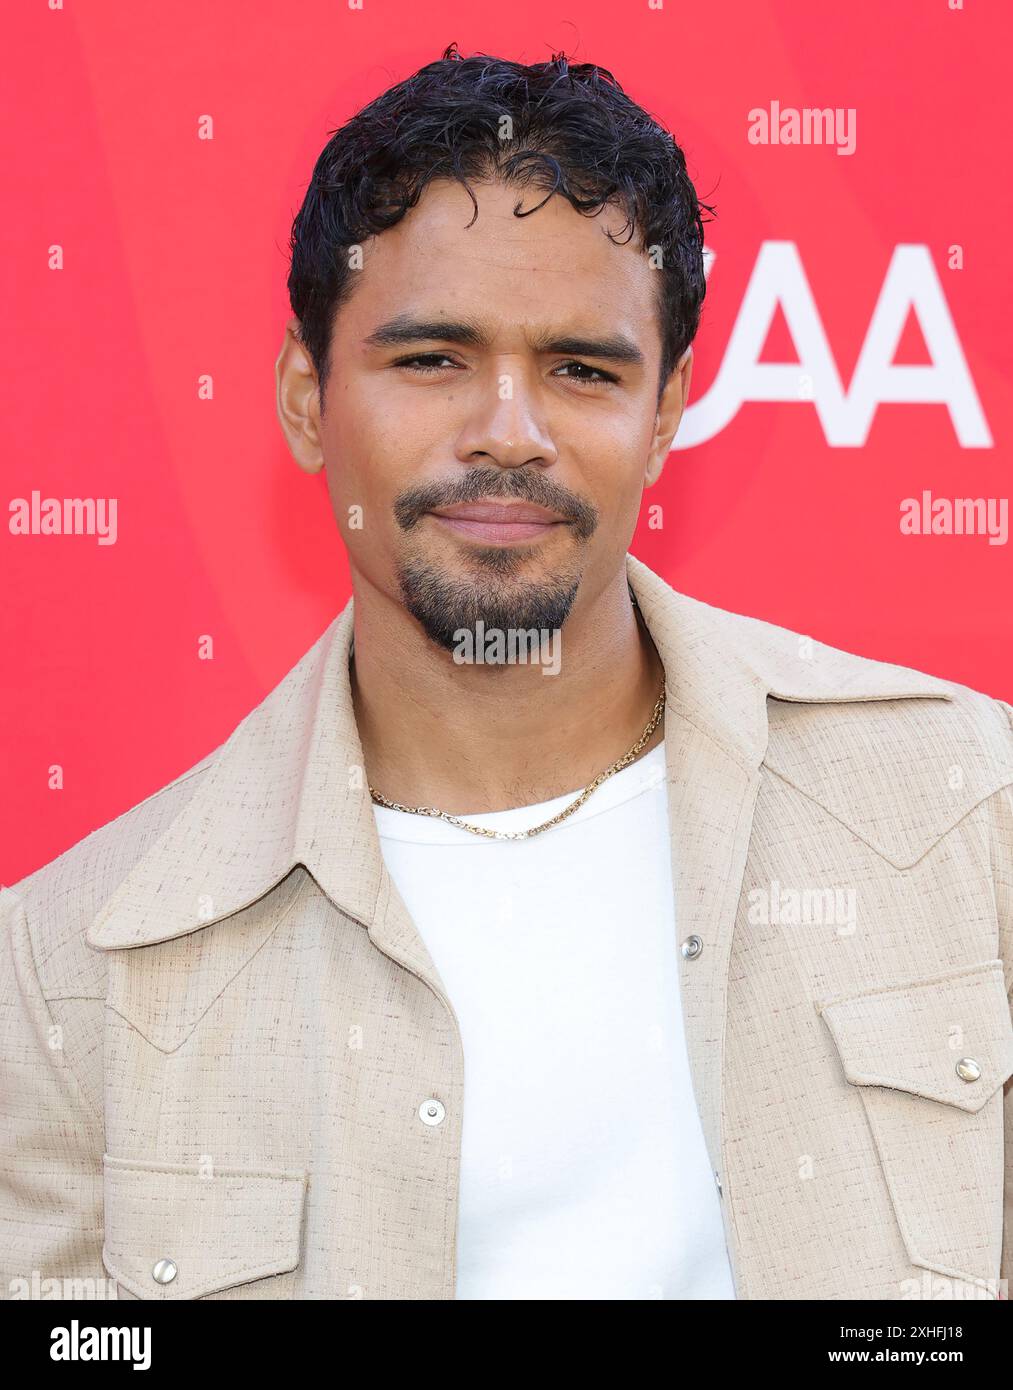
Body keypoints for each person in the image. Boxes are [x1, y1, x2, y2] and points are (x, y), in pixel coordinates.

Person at [2, 46, 1011, 1303]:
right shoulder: (69, 975)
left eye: (581, 370)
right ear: (306, 397)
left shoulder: (968, 811)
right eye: (430, 358)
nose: (510, 431)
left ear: (666, 414)